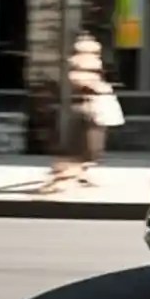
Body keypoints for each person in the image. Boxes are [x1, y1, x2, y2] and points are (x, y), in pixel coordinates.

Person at [40, 34, 113, 193]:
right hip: (83, 109)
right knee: (80, 145)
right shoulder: (80, 64)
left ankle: (79, 173)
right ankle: (64, 177)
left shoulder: (88, 63)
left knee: (89, 146)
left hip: (90, 109)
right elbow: (78, 81)